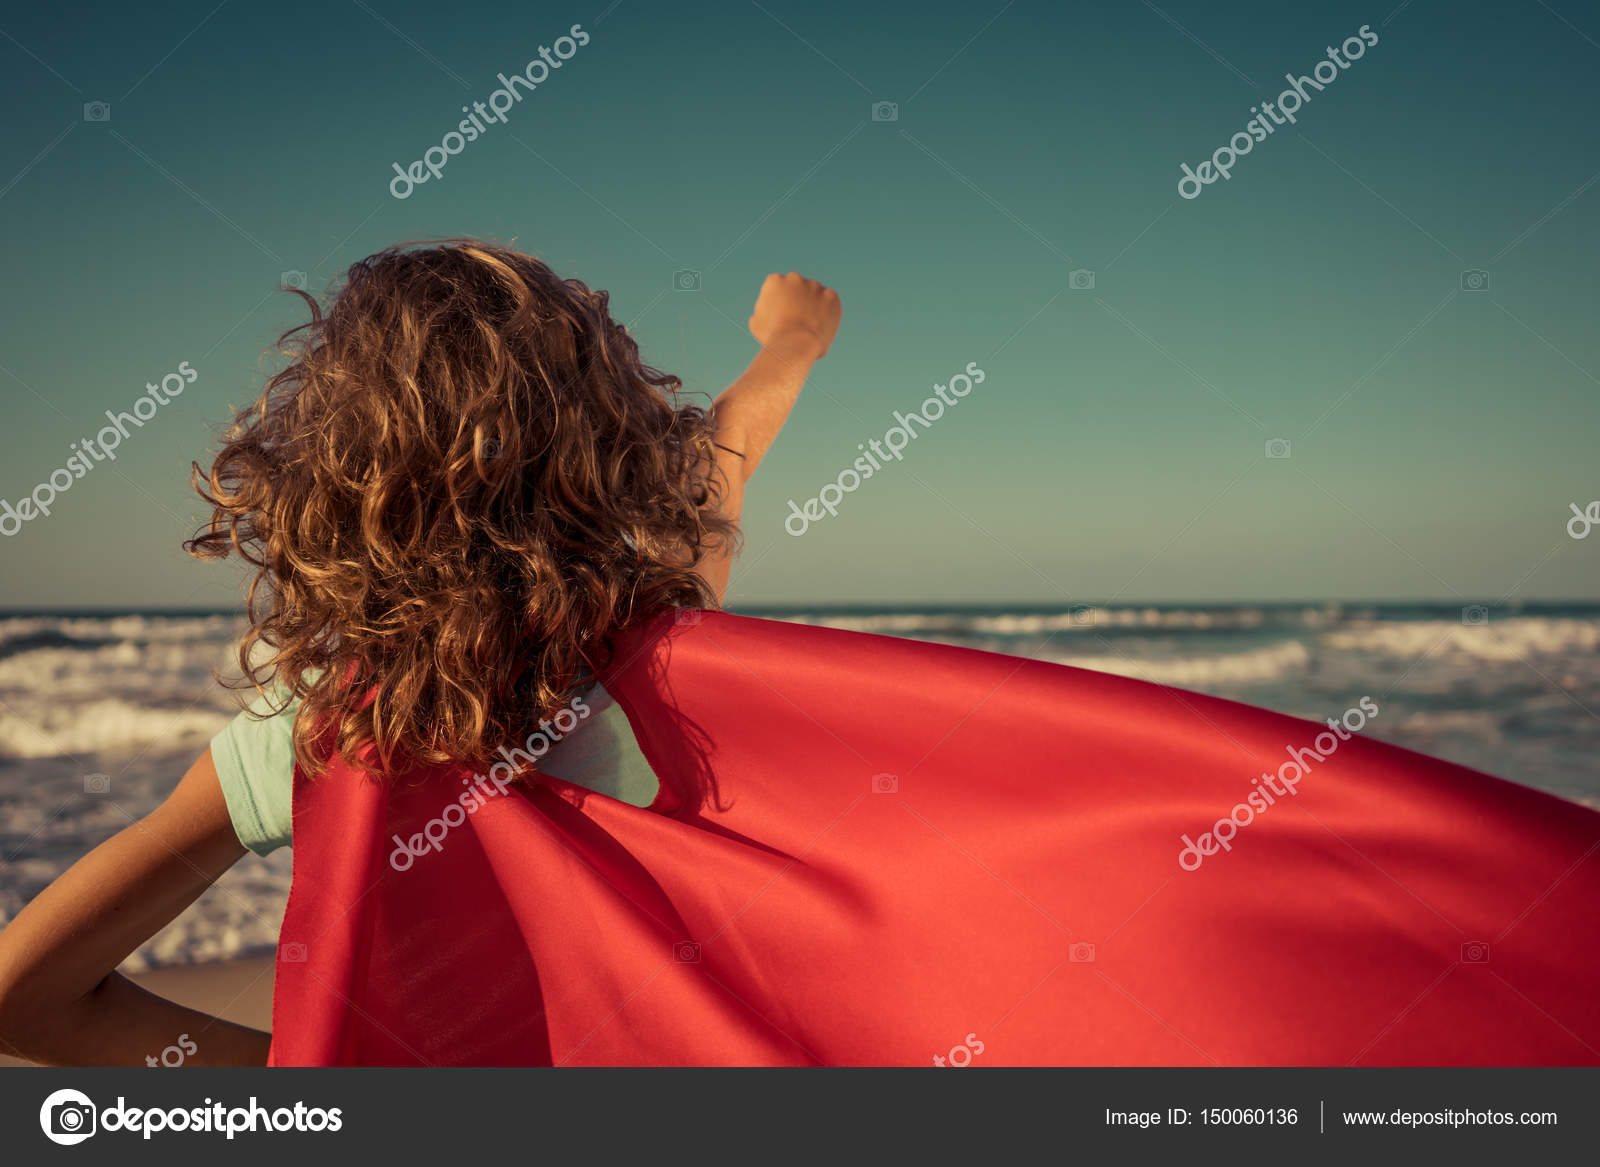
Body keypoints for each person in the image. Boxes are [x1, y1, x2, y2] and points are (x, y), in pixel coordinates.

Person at [1, 242, 1595, 1067]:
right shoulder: (666, 651)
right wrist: (793, 341)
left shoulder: (307, 738)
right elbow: (730, 464)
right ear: (609, 443)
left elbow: (31, 996)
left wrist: (323, 1082)